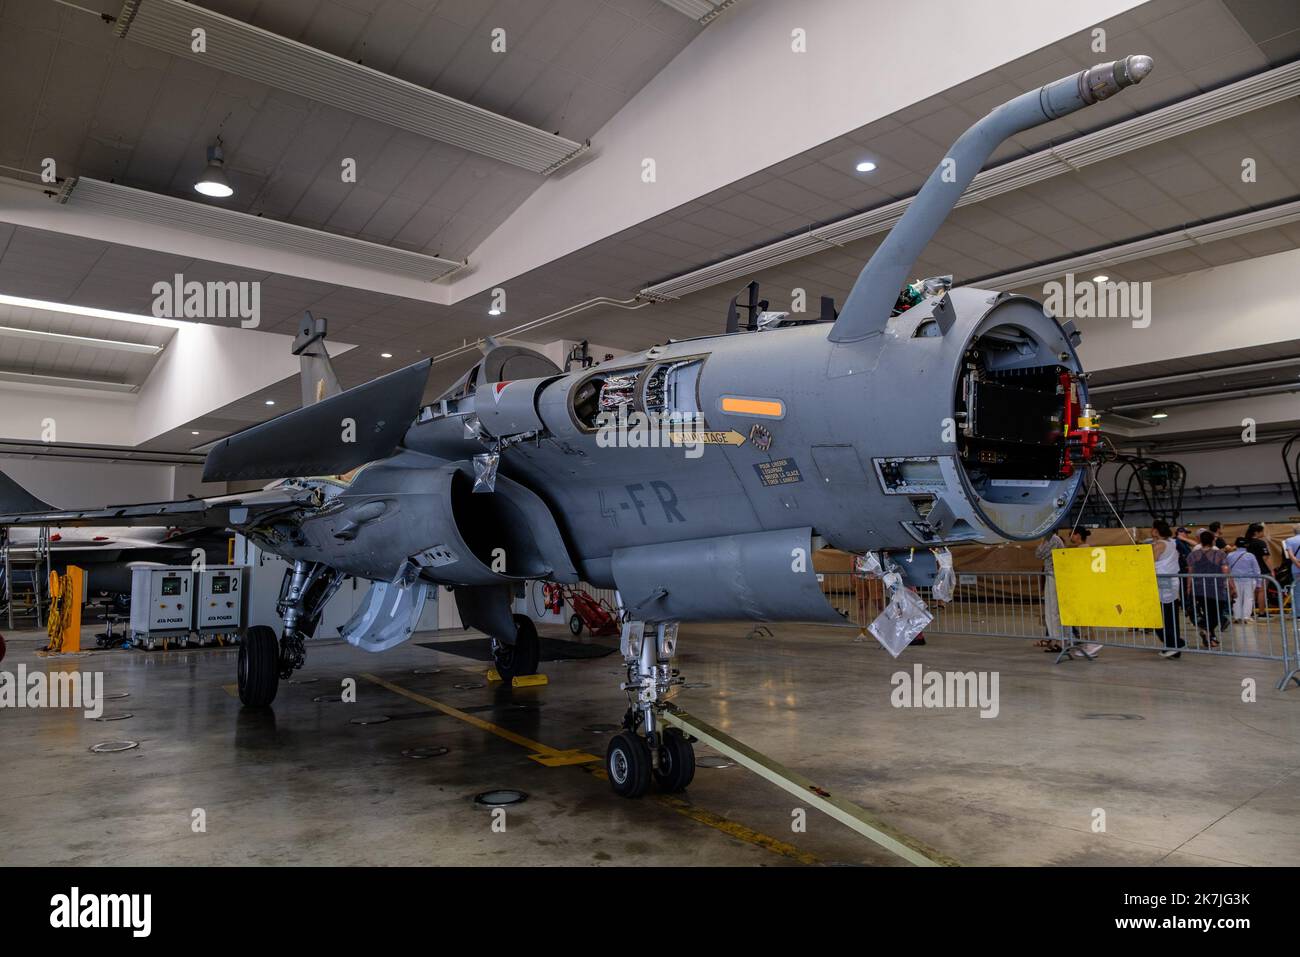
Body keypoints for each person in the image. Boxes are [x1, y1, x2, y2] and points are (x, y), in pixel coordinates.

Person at [1186, 530, 1234, 648]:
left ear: (1200, 541)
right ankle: (1207, 630)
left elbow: (1190, 573)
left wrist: (1188, 587)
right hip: (1215, 587)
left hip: (1198, 587)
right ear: (1213, 540)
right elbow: (1226, 571)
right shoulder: (1220, 554)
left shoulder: (1193, 555)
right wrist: (1232, 586)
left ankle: (1210, 637)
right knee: (1216, 613)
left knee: (1207, 612)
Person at [1064, 527, 1102, 658]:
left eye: (1071, 535)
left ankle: (1091, 644)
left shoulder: (1081, 550)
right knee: (1086, 619)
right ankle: (1089, 645)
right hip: (1087, 586)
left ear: (1078, 535)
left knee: (1084, 618)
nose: (1070, 538)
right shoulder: (1088, 548)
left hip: (1082, 587)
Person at [1152, 520, 1185, 659]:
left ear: (1156, 531)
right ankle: (1174, 644)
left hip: (1162, 581)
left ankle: (1174, 643)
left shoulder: (1159, 545)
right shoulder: (1172, 543)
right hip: (1172, 580)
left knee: (1160, 616)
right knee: (1170, 614)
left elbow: (1151, 561)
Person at [1035, 529, 1066, 653]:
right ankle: (1055, 640)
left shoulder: (1053, 540)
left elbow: (1038, 554)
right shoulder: (1051, 540)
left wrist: (1042, 542)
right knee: (1050, 609)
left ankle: (1058, 640)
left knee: (1053, 609)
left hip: (1054, 575)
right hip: (1051, 575)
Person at [1226, 537, 1262, 622]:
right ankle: (1246, 617)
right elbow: (1256, 570)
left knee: (1236, 598)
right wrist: (1259, 583)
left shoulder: (1229, 555)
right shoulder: (1250, 555)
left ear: (1236, 545)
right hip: (1248, 580)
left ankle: (1237, 616)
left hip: (1234, 580)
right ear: (1246, 545)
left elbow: (1227, 568)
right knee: (1248, 598)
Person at [1243, 523, 1273, 614]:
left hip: (1248, 571)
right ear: (1256, 532)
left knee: (1250, 592)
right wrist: (1271, 570)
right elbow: (1265, 558)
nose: (1263, 533)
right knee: (1262, 591)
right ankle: (1261, 612)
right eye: (1262, 531)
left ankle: (1249, 611)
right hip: (1262, 570)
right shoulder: (1261, 543)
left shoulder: (1245, 543)